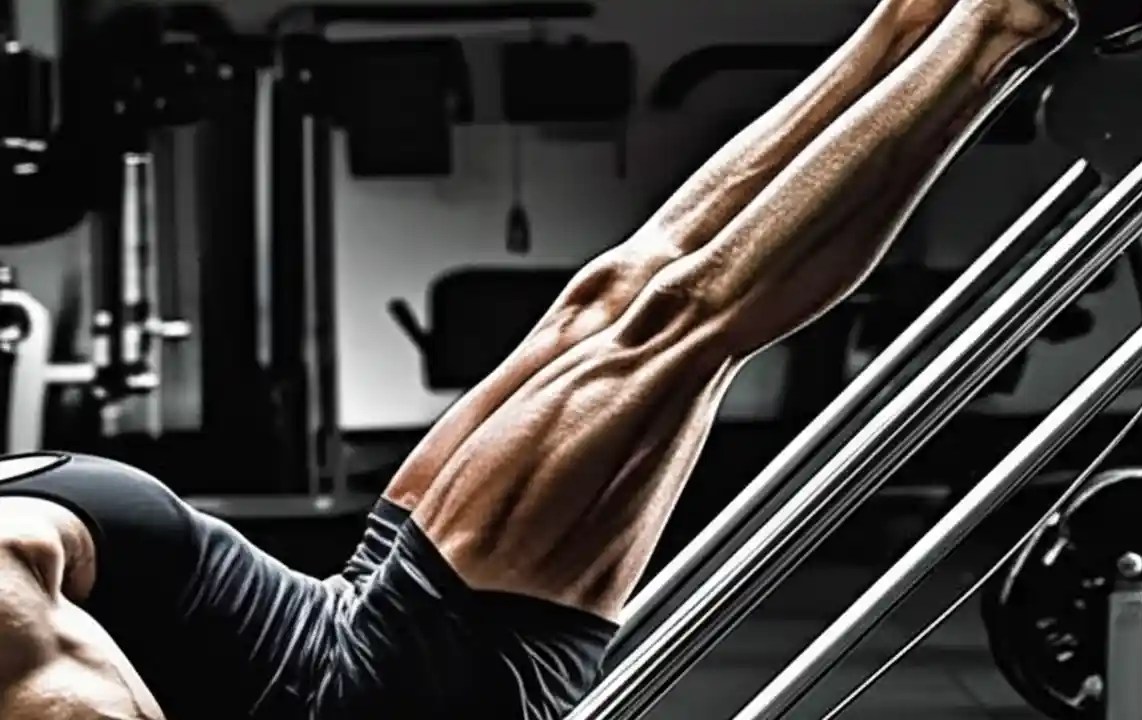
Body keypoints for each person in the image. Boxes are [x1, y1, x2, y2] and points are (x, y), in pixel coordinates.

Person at [0, 0, 1074, 717]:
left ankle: (913, 21)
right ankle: (989, 38)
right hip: (401, 687)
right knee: (678, 324)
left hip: (356, 606)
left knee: (612, 297)